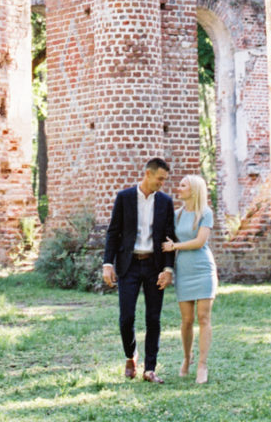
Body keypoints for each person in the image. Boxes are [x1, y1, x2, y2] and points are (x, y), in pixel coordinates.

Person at [103, 157, 177, 384]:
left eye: (165, 180)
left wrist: (168, 268)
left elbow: (170, 237)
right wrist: (108, 263)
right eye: (160, 179)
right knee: (126, 317)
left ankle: (150, 369)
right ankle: (130, 356)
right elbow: (113, 233)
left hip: (155, 266)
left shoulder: (165, 201)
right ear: (147, 174)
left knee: (153, 318)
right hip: (129, 265)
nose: (162, 184)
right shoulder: (124, 198)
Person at [162, 174, 217, 384]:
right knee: (186, 320)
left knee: (204, 318)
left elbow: (200, 241)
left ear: (193, 189)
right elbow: (166, 241)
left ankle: (202, 365)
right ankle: (187, 359)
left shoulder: (205, 213)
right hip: (183, 270)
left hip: (203, 269)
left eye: (183, 185)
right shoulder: (176, 215)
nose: (179, 188)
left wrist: (175, 246)